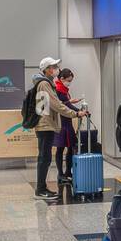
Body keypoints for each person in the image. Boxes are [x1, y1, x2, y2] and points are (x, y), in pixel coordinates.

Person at [32, 56, 86, 201]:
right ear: (47, 69)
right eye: (54, 66)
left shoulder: (46, 83)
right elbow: (57, 105)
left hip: (46, 124)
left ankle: (42, 188)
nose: (56, 69)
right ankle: (40, 189)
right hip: (45, 125)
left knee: (45, 157)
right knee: (44, 158)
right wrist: (75, 113)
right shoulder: (44, 84)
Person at [53, 67, 79, 184]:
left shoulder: (63, 89)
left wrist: (72, 104)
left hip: (67, 122)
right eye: (68, 80)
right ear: (62, 78)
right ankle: (60, 174)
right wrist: (78, 112)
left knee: (70, 147)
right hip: (61, 123)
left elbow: (66, 103)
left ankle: (68, 171)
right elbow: (63, 106)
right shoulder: (58, 89)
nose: (69, 83)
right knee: (60, 148)